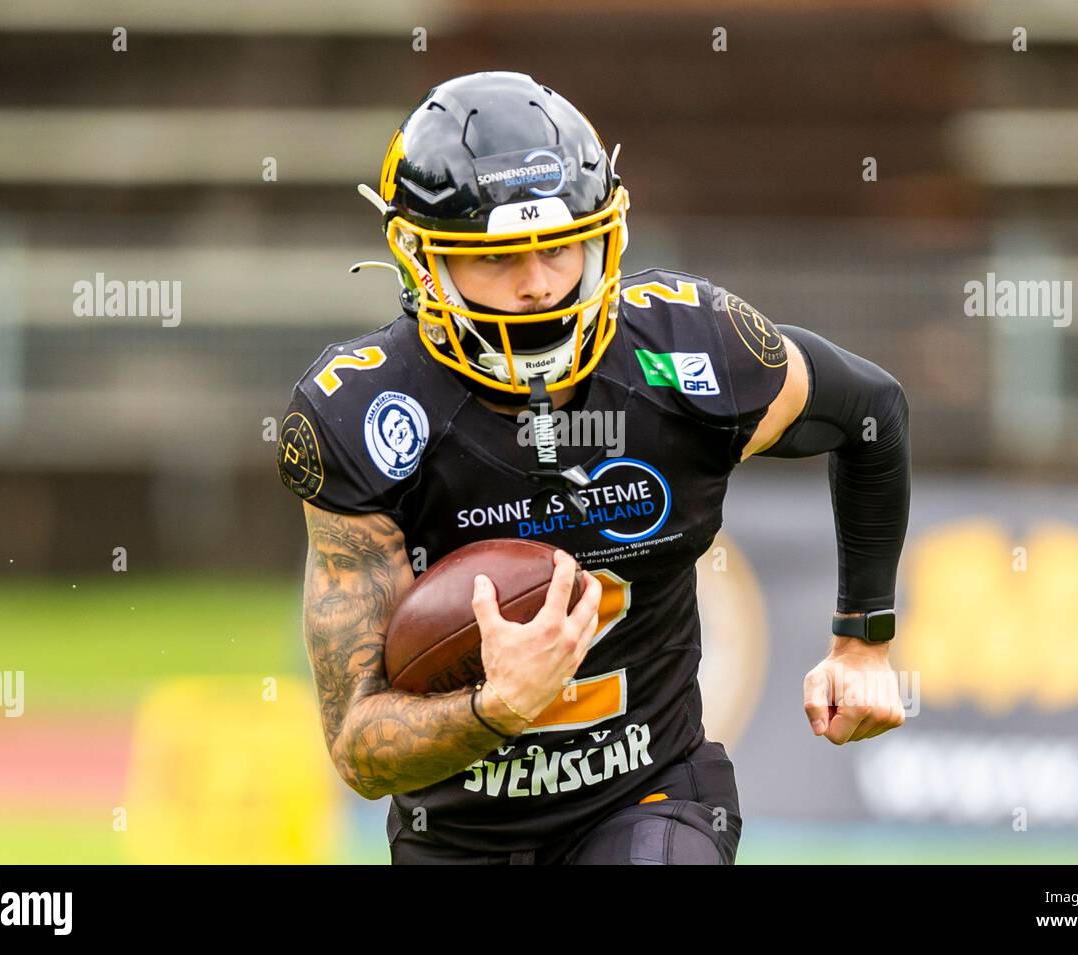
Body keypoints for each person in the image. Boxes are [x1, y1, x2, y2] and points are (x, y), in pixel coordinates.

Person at [277, 71, 912, 864]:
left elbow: (871, 411)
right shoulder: (367, 417)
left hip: (649, 795)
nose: (540, 283)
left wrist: (864, 639)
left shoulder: (687, 352)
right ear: (421, 263)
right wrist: (495, 707)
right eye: (498, 257)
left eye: (559, 244)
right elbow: (358, 746)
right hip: (459, 834)